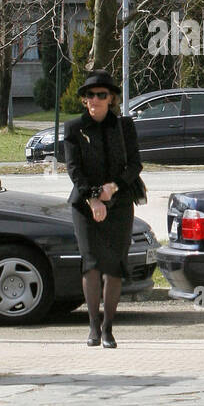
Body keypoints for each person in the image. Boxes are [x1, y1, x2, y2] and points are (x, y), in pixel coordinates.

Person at [64, 70, 145, 348]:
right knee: (92, 264)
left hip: (119, 202)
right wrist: (93, 199)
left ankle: (109, 328)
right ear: (84, 100)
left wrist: (114, 187)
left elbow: (135, 165)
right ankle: (93, 326)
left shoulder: (124, 126)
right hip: (85, 204)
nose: (95, 100)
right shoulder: (75, 128)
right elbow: (74, 170)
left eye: (102, 95)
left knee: (114, 266)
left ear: (111, 99)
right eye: (90, 95)